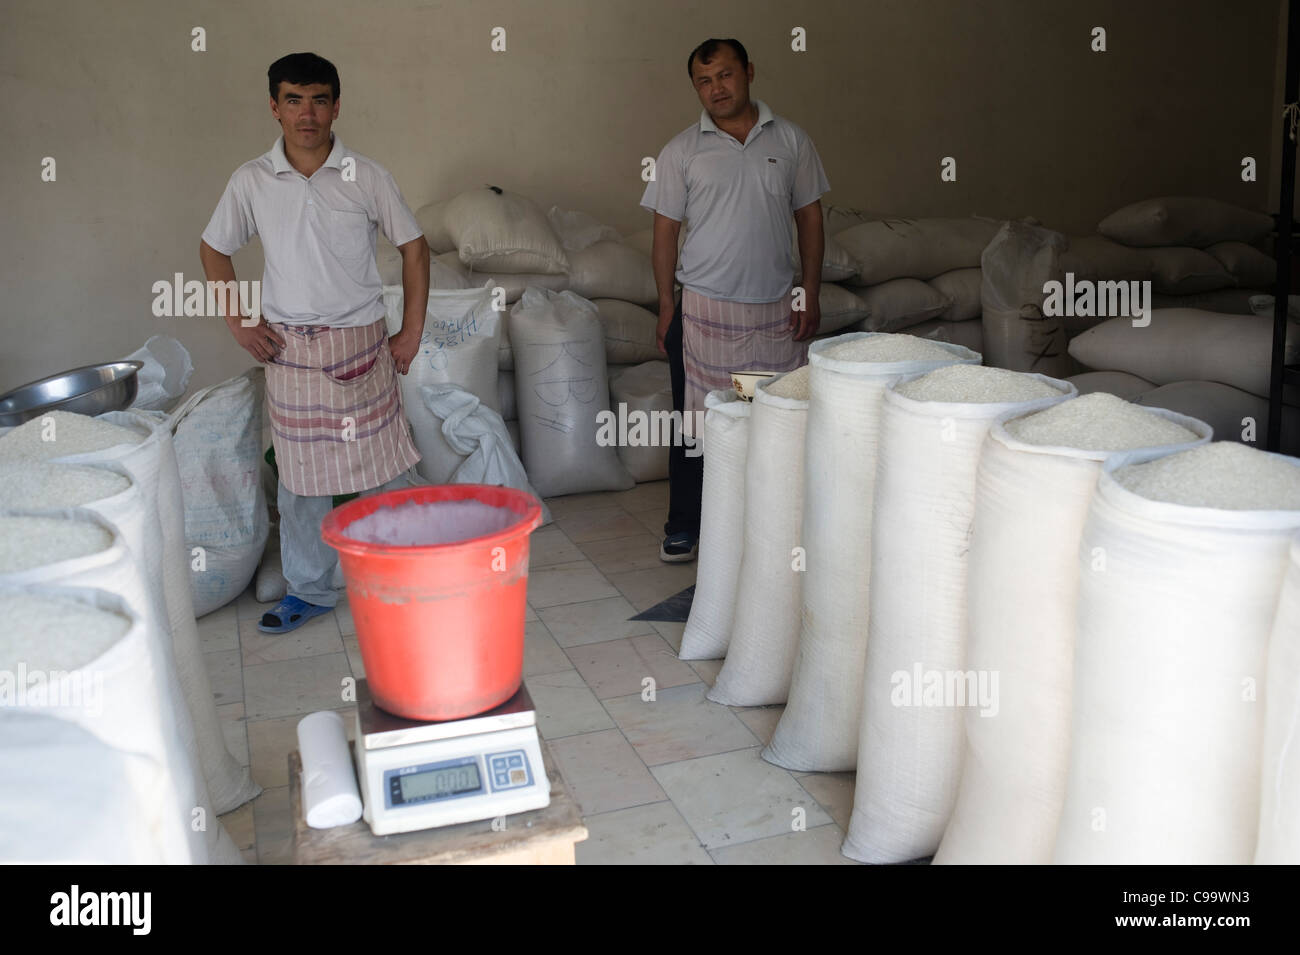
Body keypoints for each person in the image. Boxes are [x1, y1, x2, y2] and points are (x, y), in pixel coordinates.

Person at [199, 52, 429, 633]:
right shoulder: (251, 179)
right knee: (302, 481)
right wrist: (239, 321)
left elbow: (415, 248)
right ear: (275, 107)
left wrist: (411, 333)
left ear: (336, 105)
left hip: (361, 346)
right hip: (290, 352)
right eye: (295, 100)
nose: (308, 113)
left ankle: (405, 574)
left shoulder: (367, 175)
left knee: (382, 468)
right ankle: (310, 591)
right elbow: (213, 248)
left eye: (320, 99)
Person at [640, 37, 829, 562]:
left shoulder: (790, 140)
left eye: (724, 75)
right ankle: (685, 526)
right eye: (704, 80)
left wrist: (807, 291)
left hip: (774, 310)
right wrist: (665, 305)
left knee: (769, 419)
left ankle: (769, 525)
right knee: (697, 424)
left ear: (748, 71)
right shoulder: (682, 151)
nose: (715, 88)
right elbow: (664, 233)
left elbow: (809, 218)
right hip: (703, 309)